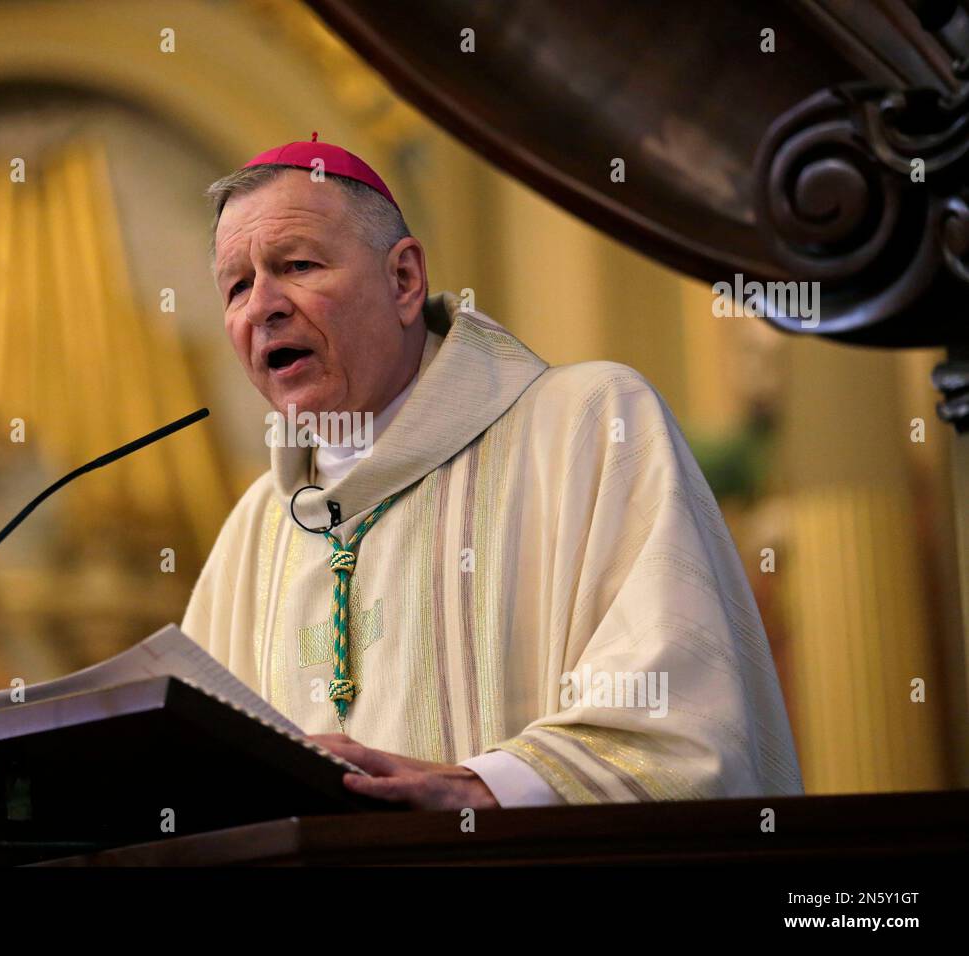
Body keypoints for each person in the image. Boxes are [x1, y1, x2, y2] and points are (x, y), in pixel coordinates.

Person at [181, 136, 803, 810]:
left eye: (297, 265)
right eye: (237, 286)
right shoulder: (255, 531)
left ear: (404, 280)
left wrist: (478, 788)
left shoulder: (589, 426)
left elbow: (683, 728)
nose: (263, 305)